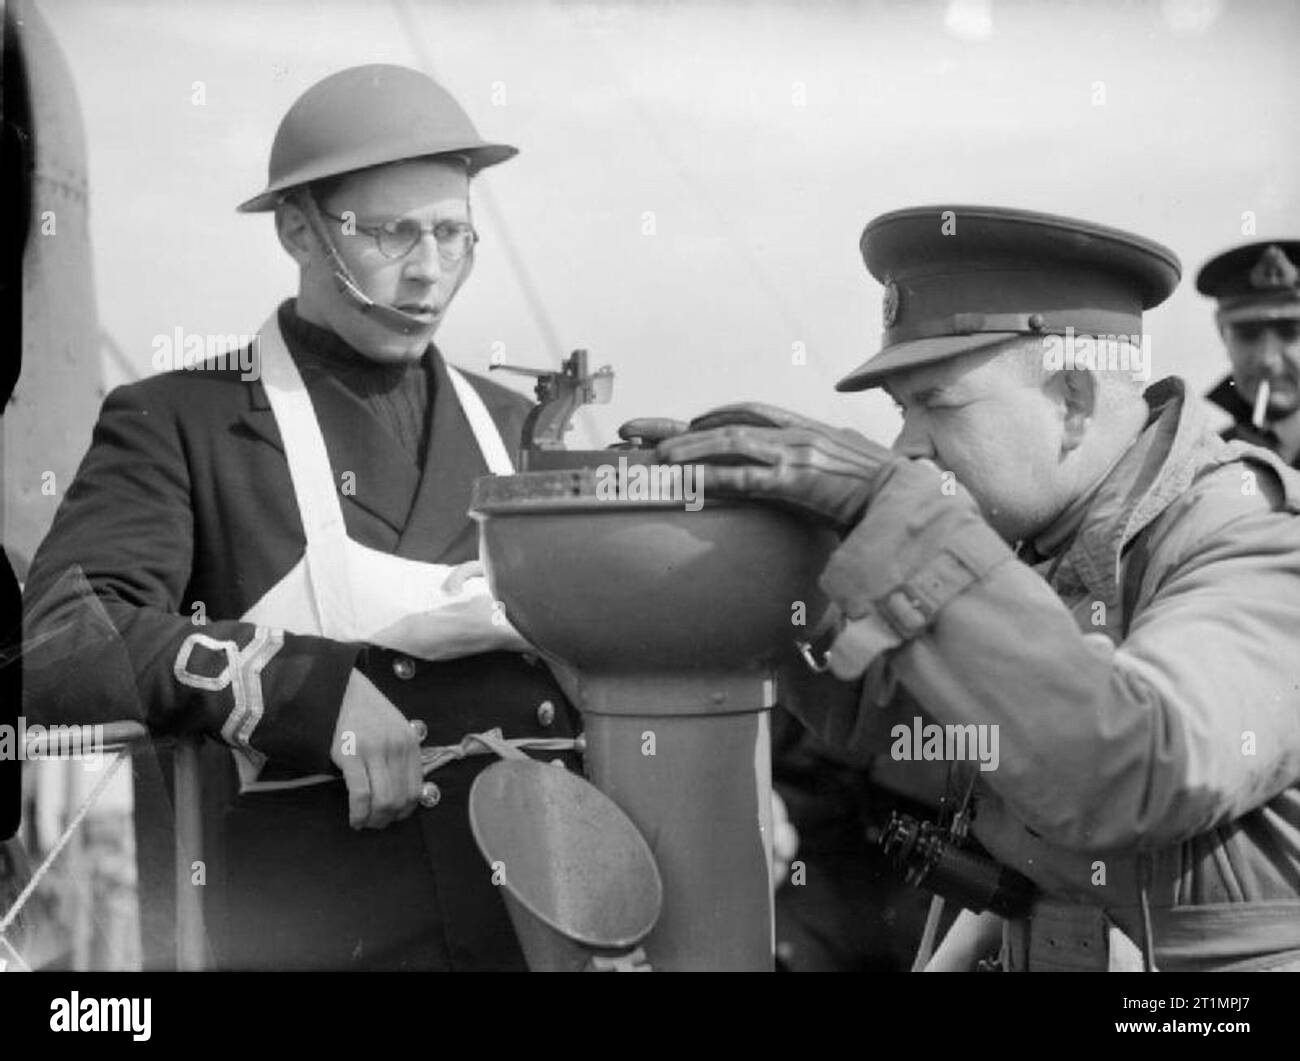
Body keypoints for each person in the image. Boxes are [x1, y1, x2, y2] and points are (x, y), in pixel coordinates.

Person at [21, 64, 582, 970]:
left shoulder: (521, 430)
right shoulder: (180, 421)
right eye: (391, 232)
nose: (429, 269)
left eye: (451, 232)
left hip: (538, 929)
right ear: (297, 228)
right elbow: (60, 642)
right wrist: (303, 693)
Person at [659, 206, 1300, 971]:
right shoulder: (1040, 539)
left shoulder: (1251, 538)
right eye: (902, 411)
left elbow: (1139, 765)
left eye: (938, 403)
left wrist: (908, 524)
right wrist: (768, 555)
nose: (907, 446)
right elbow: (886, 713)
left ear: (1073, 400)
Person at [1198, 240, 1300, 466]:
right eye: (1248, 335)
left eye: (1290, 333)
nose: (1267, 360)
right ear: (1223, 336)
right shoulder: (1207, 463)